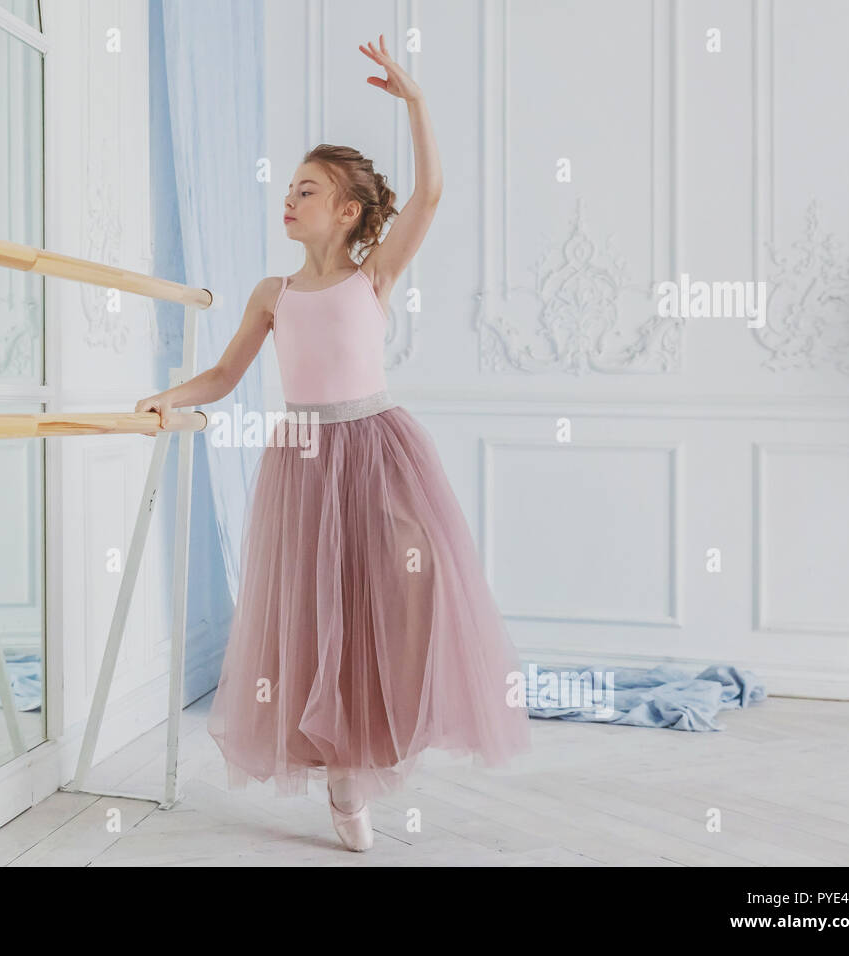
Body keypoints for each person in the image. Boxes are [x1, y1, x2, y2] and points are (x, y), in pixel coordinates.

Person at [135, 36, 531, 852]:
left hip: (378, 446)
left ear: (347, 211)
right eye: (288, 189)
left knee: (408, 577)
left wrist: (416, 103)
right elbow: (221, 374)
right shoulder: (272, 292)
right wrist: (164, 399)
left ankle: (390, 728)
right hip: (306, 462)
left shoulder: (372, 275)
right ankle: (345, 789)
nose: (289, 199)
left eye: (306, 190)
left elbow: (431, 193)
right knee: (319, 615)